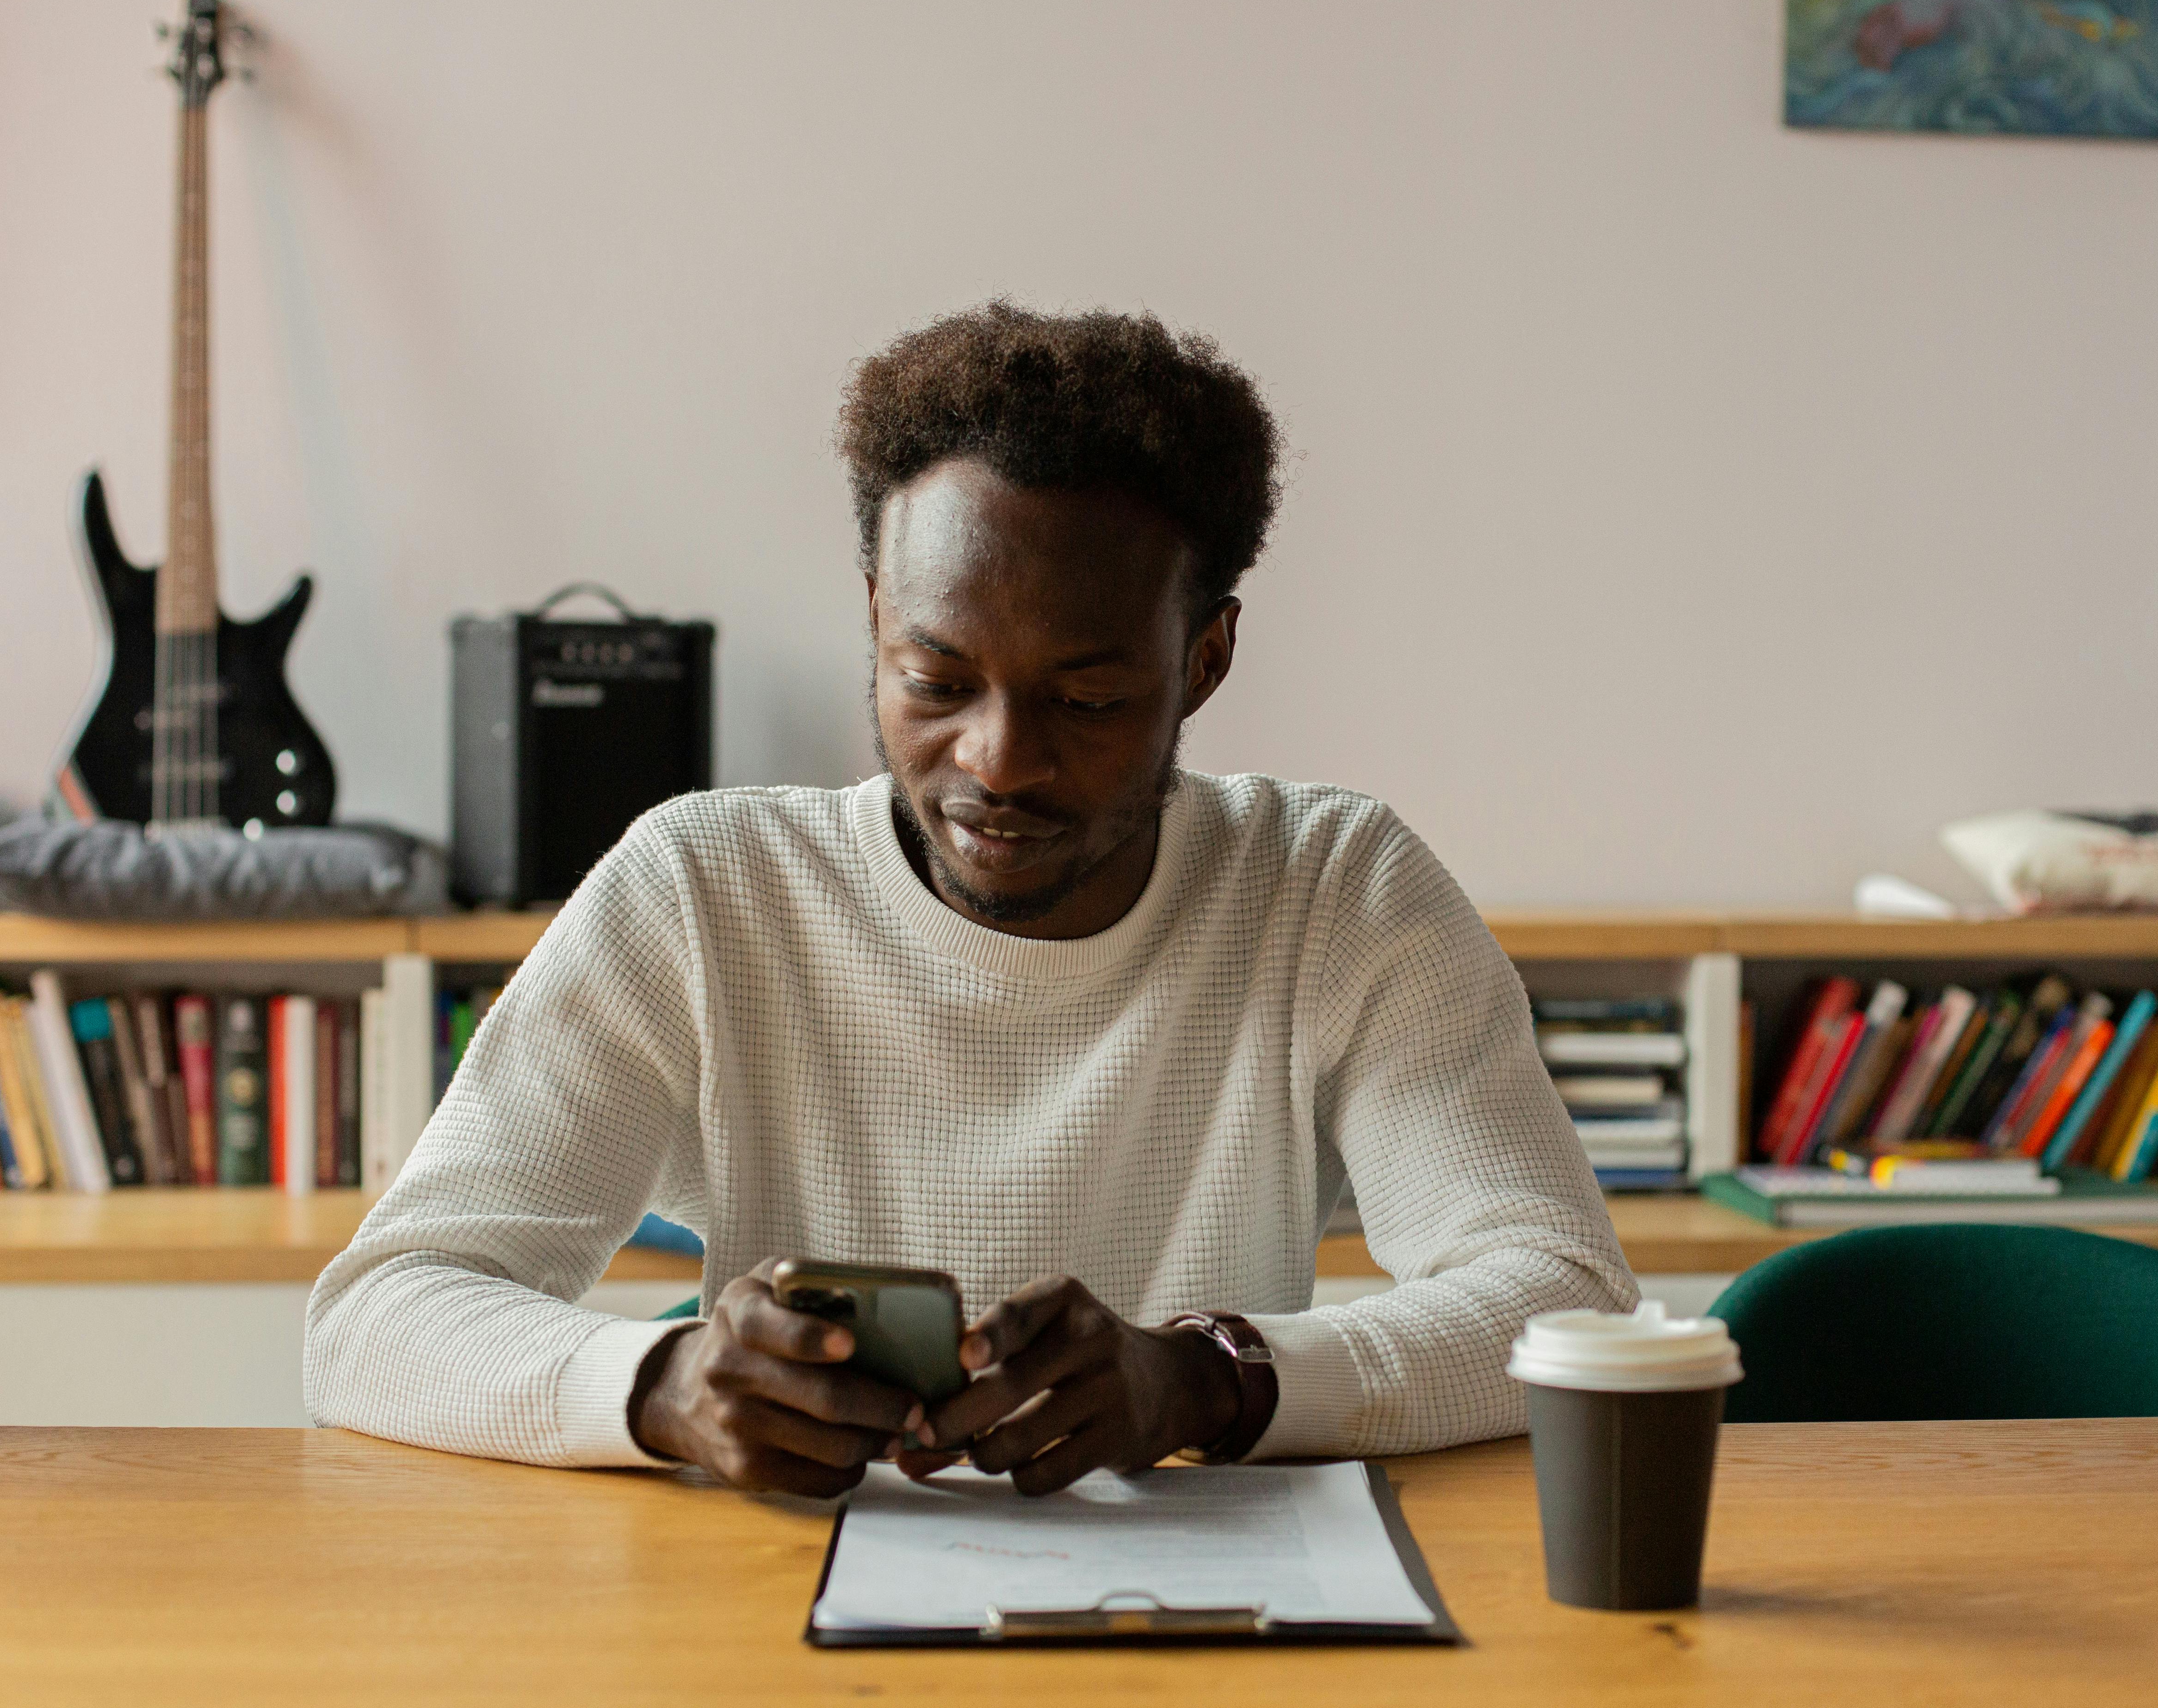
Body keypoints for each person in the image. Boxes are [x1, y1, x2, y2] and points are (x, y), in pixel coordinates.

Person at [305, 302, 1631, 1495]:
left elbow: (1564, 1301)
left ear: (1205, 656)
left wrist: (1204, 1380)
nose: (997, 762)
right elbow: (376, 1319)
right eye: (935, 681)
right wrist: (659, 1388)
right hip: (777, 1608)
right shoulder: (704, 892)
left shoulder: (1335, 891)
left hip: (1200, 1615)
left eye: (1089, 699)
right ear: (876, 617)